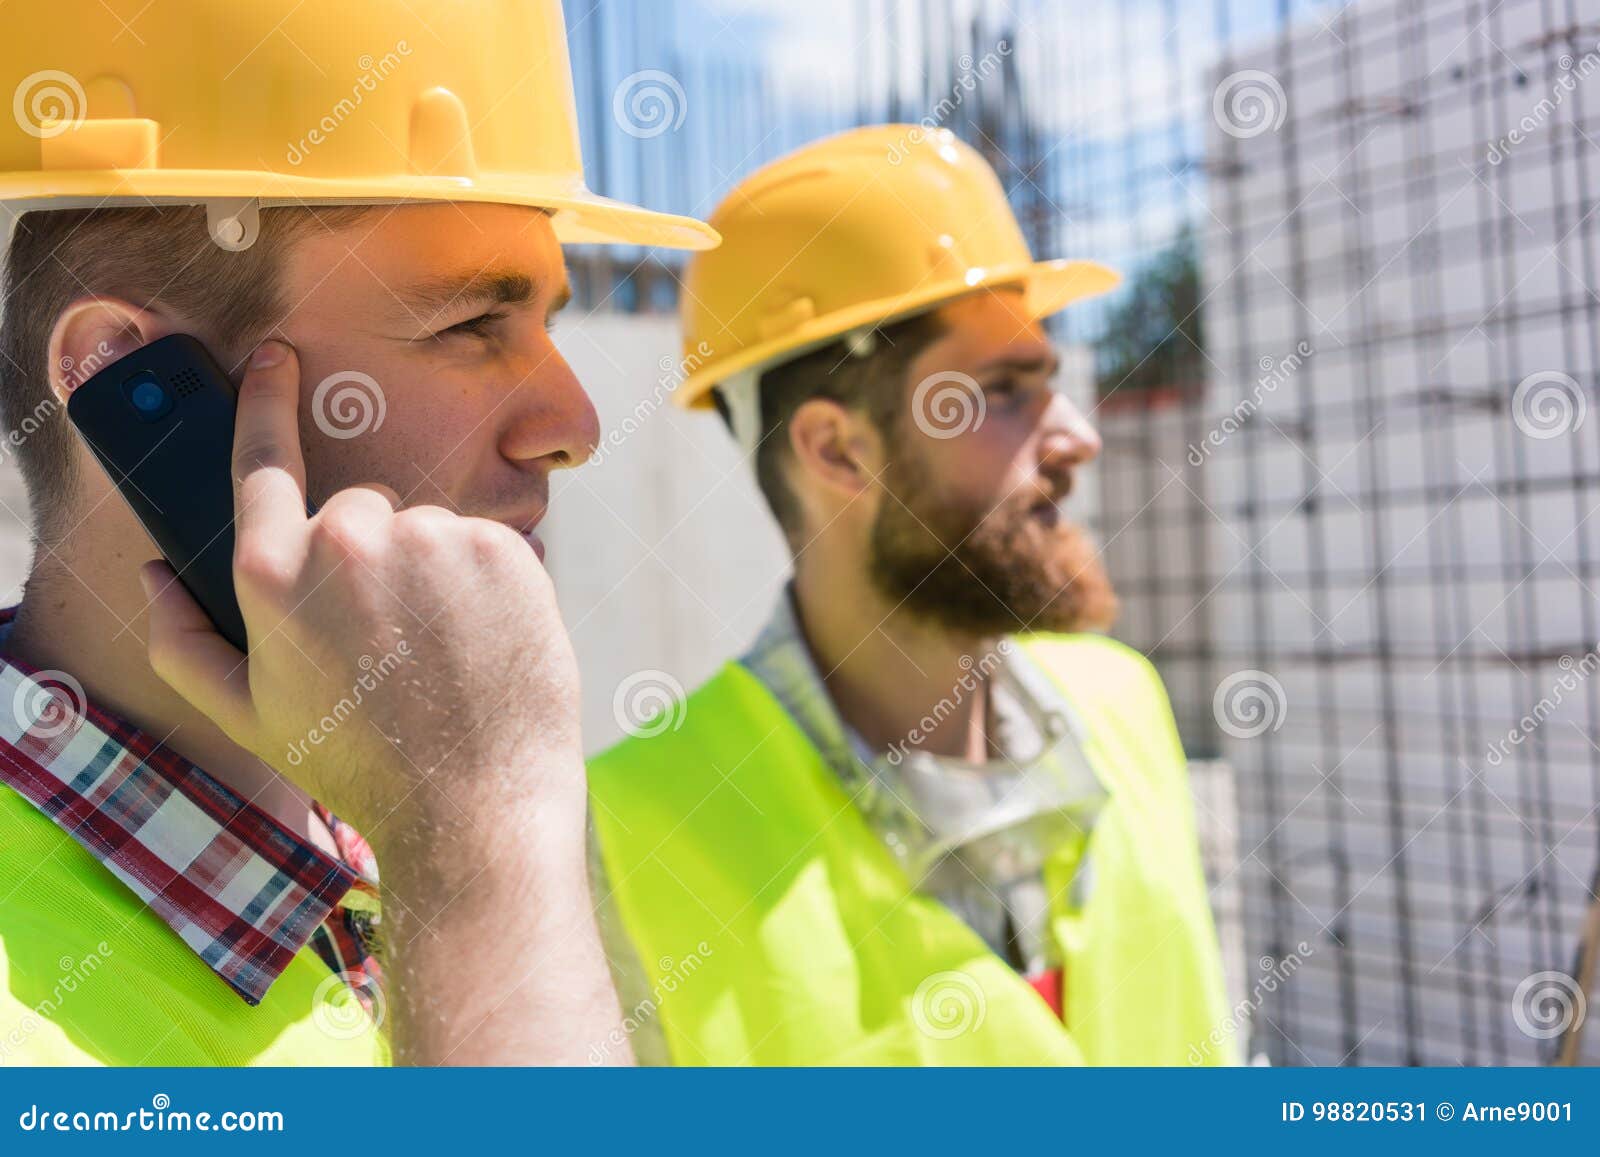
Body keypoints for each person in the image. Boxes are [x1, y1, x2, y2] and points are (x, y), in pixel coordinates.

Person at [0, 0, 716, 1066]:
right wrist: (479, 846)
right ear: (124, 379)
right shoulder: (464, 848)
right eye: (472, 322)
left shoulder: (377, 866)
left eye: (548, 323)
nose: (574, 426)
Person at [589, 125, 1231, 1065]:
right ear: (838, 450)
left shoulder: (1124, 701)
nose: (1079, 437)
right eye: (1007, 392)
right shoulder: (631, 833)